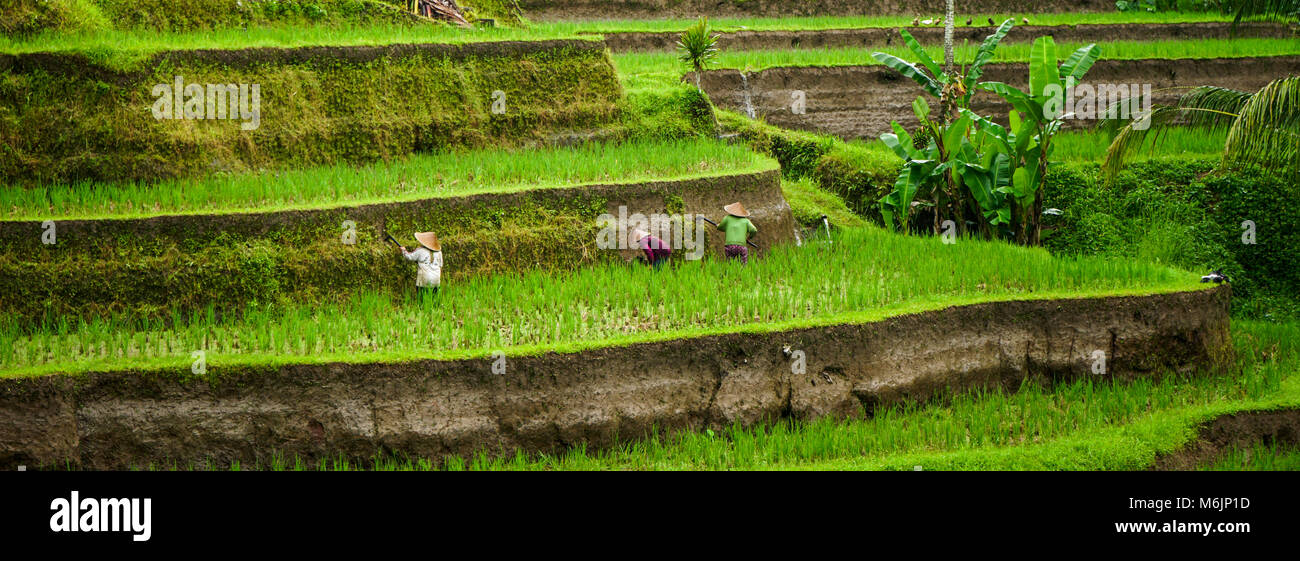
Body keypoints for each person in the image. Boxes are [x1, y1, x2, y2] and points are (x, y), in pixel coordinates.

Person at [400, 231, 443, 299]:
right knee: (434, 299)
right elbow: (440, 265)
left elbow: (409, 257)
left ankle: (422, 308)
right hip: (436, 279)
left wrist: (404, 251)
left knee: (421, 298)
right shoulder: (439, 252)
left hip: (424, 279)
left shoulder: (421, 251)